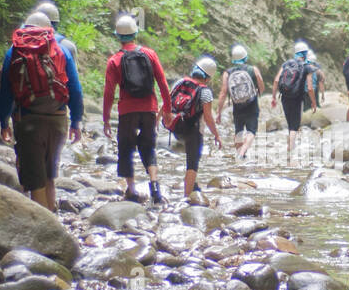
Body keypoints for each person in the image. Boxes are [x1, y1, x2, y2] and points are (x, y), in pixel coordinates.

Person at [0, 11, 82, 212]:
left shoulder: (15, 51)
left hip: (29, 122)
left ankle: (45, 231)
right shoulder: (61, 50)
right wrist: (77, 120)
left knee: (36, 181)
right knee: (50, 177)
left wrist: (3, 121)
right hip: (58, 120)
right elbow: (75, 89)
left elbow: (6, 91)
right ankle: (53, 220)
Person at [102, 13, 171, 204]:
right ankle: (155, 186)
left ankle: (131, 190)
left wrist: (106, 119)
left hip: (127, 111)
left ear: (118, 36)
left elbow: (109, 92)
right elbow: (163, 83)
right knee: (149, 148)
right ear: (135, 33)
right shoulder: (150, 54)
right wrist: (168, 110)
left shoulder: (114, 61)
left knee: (125, 148)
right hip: (149, 109)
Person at [0, 0, 76, 125]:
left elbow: (5, 74)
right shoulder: (67, 47)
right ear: (55, 23)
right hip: (56, 111)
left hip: (25, 110)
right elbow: (73, 85)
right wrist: (75, 120)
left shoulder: (21, 44)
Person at [167, 56, 223, 199]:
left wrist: (158, 119)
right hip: (193, 130)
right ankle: (186, 196)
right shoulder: (205, 92)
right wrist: (216, 135)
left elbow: (167, 101)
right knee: (192, 164)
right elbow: (208, 118)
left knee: (189, 159)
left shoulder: (181, 82)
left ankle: (193, 186)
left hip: (177, 127)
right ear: (208, 77)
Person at [270, 40, 317, 163]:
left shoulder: (286, 64)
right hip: (297, 99)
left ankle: (289, 147)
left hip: (285, 97)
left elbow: (276, 80)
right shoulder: (307, 67)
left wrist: (274, 97)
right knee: (294, 127)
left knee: (290, 124)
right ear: (305, 54)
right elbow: (310, 88)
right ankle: (290, 153)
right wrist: (313, 102)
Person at [215, 43, 264, 161]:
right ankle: (242, 153)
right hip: (252, 104)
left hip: (237, 106)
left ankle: (238, 155)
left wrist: (218, 111)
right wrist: (259, 93)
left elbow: (223, 92)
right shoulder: (253, 69)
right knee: (251, 131)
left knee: (239, 130)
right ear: (245, 57)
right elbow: (261, 84)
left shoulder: (228, 72)